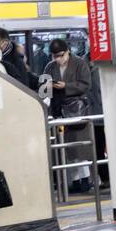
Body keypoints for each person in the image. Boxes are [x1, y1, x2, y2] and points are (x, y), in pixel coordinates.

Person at [45, 39, 94, 193]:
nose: (57, 59)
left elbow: (86, 85)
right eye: (54, 56)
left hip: (77, 110)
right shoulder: (49, 66)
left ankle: (85, 180)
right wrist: (49, 87)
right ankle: (73, 181)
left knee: (79, 147)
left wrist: (66, 86)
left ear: (68, 52)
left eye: (60, 55)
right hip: (58, 110)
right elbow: (42, 89)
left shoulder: (80, 64)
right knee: (65, 148)